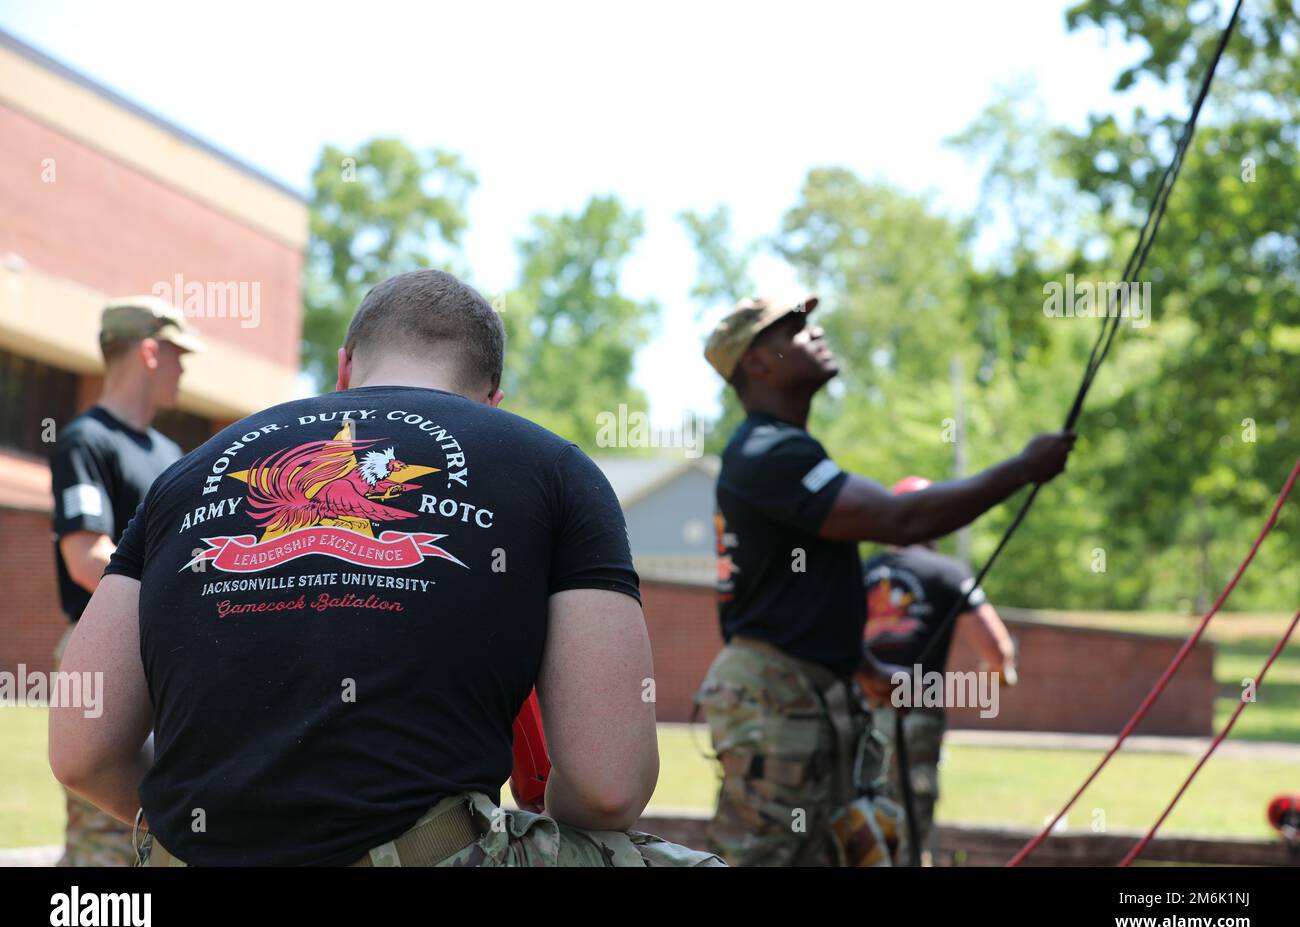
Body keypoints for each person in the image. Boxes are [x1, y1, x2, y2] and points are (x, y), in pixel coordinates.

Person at [48, 268, 721, 867]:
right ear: (491, 401)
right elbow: (609, 788)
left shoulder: (186, 474)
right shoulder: (557, 471)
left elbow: (82, 751)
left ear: (343, 369)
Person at [696, 294, 1075, 866]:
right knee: (765, 859)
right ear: (756, 362)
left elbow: (797, 596)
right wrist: (1023, 468)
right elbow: (903, 518)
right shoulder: (768, 451)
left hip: (804, 689)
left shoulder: (783, 450)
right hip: (776, 695)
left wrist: (863, 668)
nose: (816, 332)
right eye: (796, 327)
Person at [49, 296, 202, 866]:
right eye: (178, 354)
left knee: (156, 828)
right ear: (148, 352)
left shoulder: (172, 454)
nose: (185, 368)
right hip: (106, 650)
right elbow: (87, 558)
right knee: (104, 841)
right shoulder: (85, 441)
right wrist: (180, 592)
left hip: (163, 651)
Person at [863, 475, 1018, 866]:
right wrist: (999, 673)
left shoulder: (859, 572)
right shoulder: (949, 573)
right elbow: (996, 647)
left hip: (858, 716)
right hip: (916, 714)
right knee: (912, 824)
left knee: (859, 818)